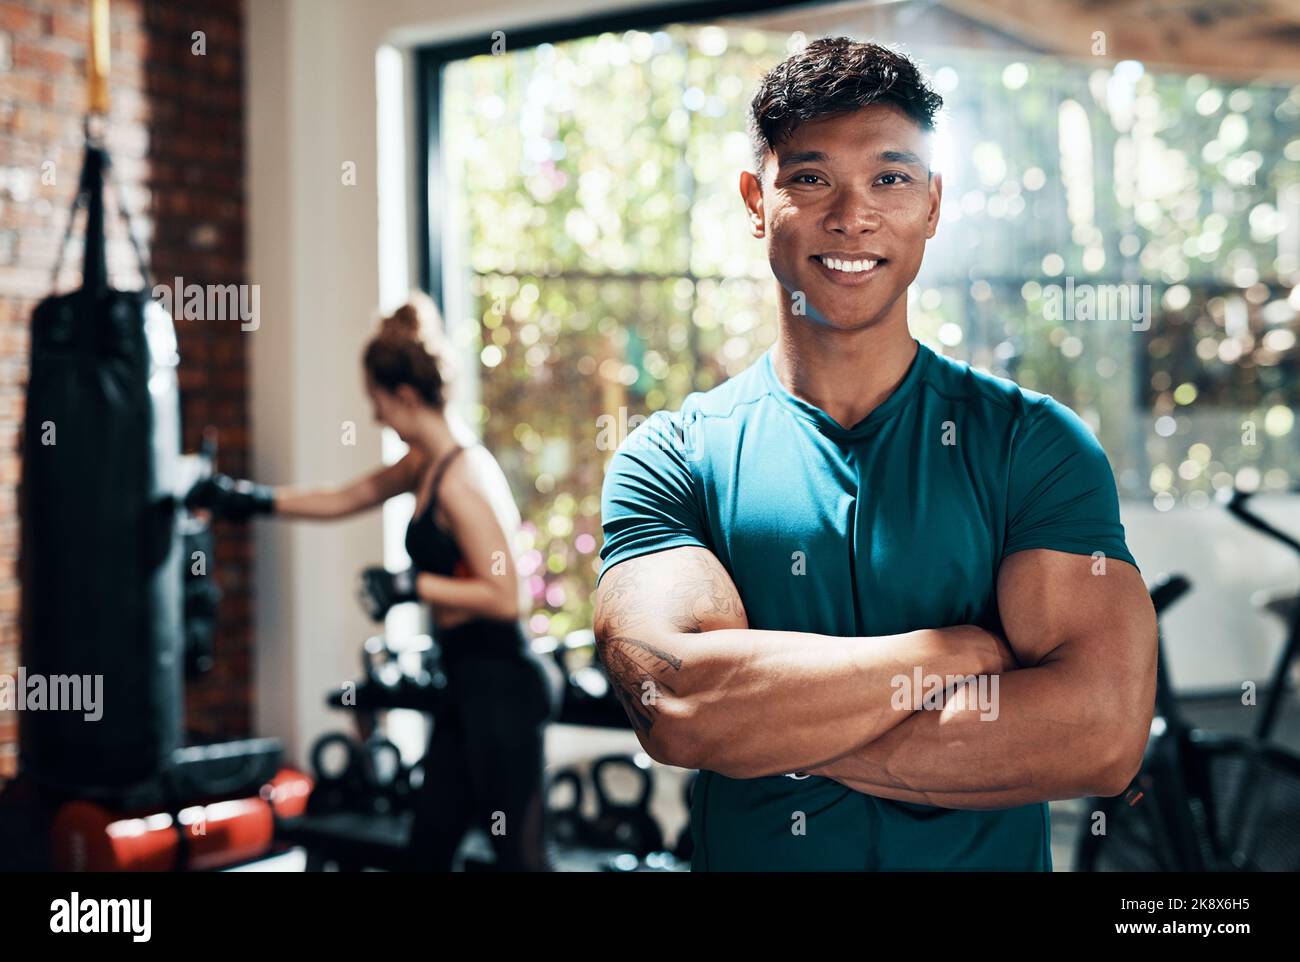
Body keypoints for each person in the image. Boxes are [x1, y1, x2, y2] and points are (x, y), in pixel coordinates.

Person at [593, 37, 1157, 871]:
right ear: (757, 201)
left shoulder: (1033, 446)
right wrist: (952, 653)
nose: (852, 217)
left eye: (891, 179)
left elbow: (1102, 733)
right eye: (811, 178)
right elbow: (676, 701)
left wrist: (768, 726)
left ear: (931, 204)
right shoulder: (671, 458)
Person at [188, 293, 558, 871]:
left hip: (503, 685)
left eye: (378, 402)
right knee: (427, 849)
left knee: (519, 860)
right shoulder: (424, 465)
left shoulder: (463, 477)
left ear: (405, 397)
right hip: (465, 683)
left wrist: (416, 586)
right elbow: (344, 498)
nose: (376, 416)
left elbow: (507, 595)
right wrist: (247, 499)